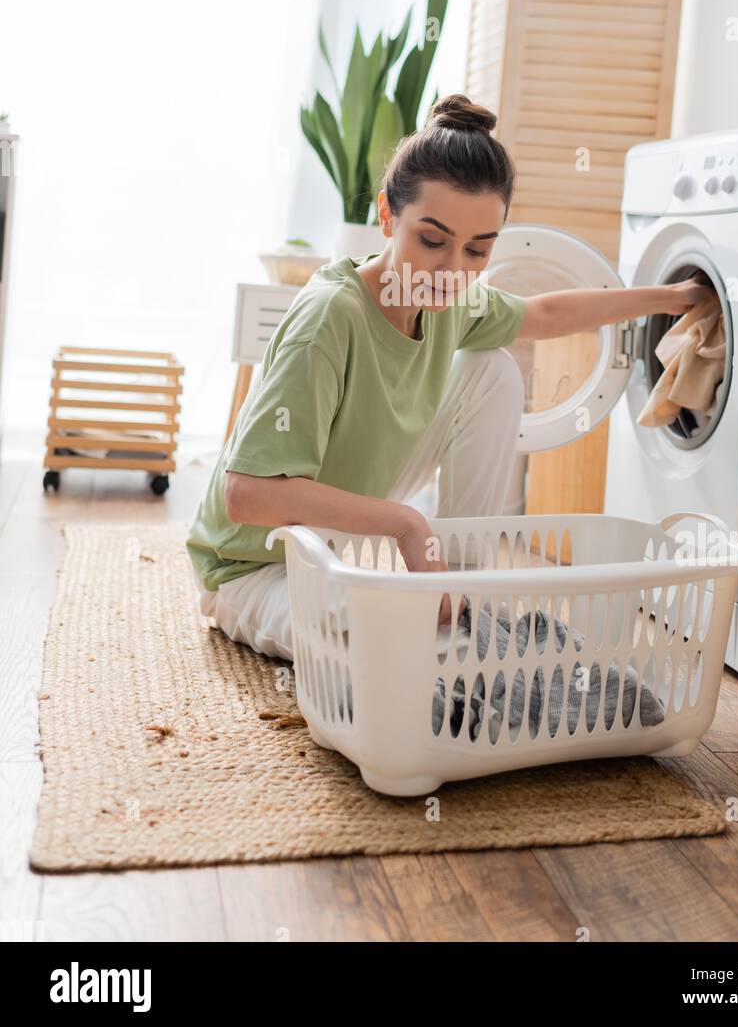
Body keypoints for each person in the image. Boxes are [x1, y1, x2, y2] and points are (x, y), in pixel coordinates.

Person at [185, 93, 710, 661]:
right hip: (255, 565)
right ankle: (433, 614)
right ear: (387, 216)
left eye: (478, 250)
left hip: (337, 533)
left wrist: (674, 296)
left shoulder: (448, 300)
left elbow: (543, 314)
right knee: (395, 640)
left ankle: (461, 588)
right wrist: (405, 523)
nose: (453, 270)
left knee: (492, 369)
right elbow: (245, 495)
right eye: (431, 241)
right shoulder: (329, 318)